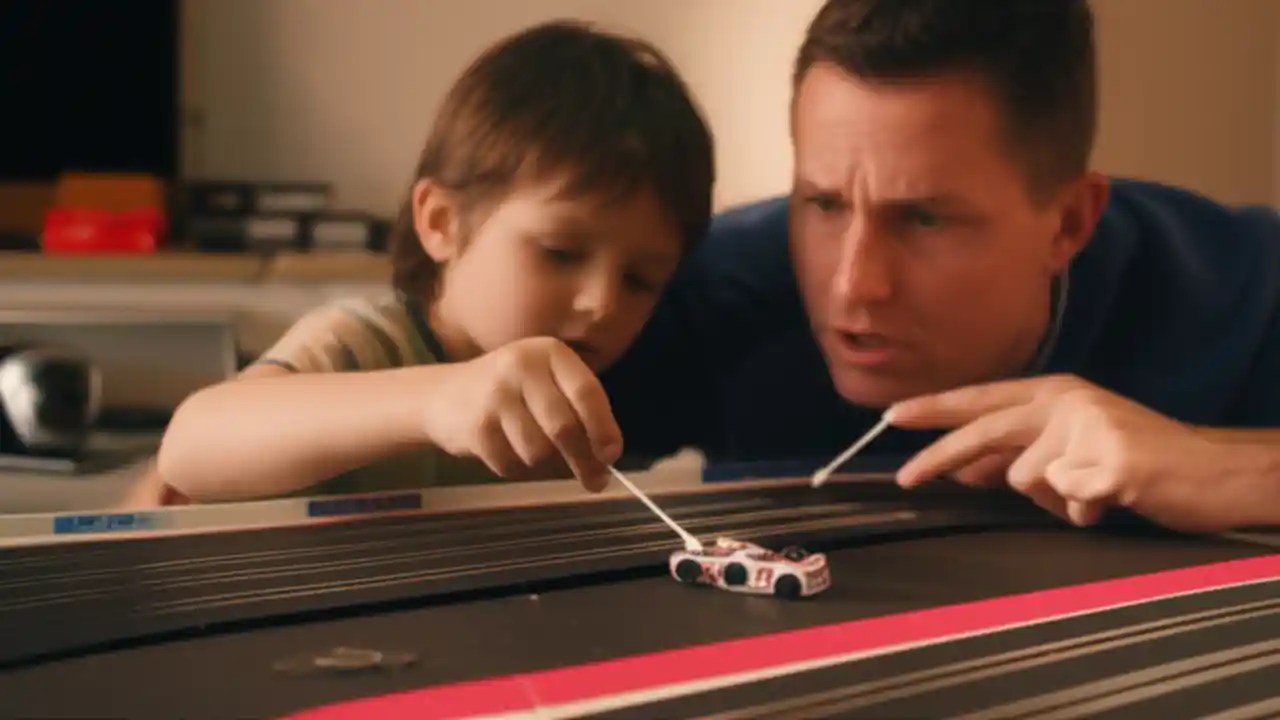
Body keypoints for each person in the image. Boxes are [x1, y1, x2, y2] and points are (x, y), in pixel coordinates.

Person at [599, 0, 1280, 533]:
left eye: (923, 218)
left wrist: (1230, 470)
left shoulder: (1245, 286)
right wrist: (490, 360)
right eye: (824, 204)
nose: (853, 284)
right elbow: (516, 425)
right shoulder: (710, 284)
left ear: (1069, 222)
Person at [140, 20, 714, 503]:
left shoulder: (596, 396)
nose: (602, 302)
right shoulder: (364, 345)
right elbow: (192, 445)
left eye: (640, 279)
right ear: (441, 222)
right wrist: (438, 399)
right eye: (560, 252)